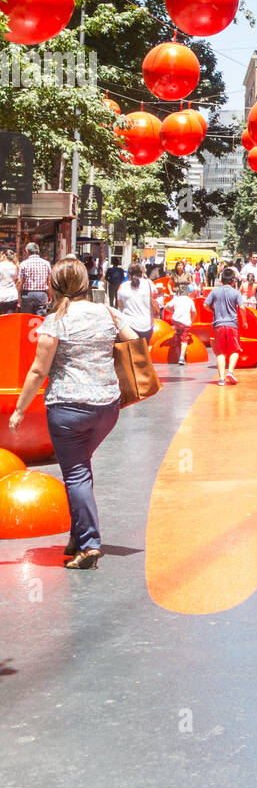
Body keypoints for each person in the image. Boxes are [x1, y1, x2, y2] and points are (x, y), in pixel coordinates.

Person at [9, 257, 139, 569]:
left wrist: (19, 410)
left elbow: (39, 370)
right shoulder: (108, 312)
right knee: (80, 470)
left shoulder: (55, 321)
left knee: (76, 474)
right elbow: (134, 340)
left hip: (68, 410)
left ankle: (89, 545)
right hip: (107, 409)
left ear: (54, 287)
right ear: (85, 283)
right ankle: (79, 535)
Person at [205, 267, 245, 384]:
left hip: (218, 325)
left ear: (221, 280)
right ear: (233, 281)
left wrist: (213, 311)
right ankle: (230, 372)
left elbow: (205, 305)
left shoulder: (215, 291)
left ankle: (221, 379)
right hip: (232, 325)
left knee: (220, 352)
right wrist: (244, 321)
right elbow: (242, 308)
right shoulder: (236, 292)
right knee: (235, 350)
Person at [116, 261, 156, 343]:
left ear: (129, 274)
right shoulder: (149, 284)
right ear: (142, 273)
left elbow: (120, 305)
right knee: (145, 350)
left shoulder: (122, 287)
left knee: (131, 353)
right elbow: (155, 296)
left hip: (129, 326)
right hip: (147, 325)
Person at [18, 242, 51, 317]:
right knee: (40, 319)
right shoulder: (46, 263)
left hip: (27, 295)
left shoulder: (23, 264)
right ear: (38, 251)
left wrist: (18, 297)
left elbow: (20, 282)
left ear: (26, 251)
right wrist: (50, 295)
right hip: (41, 295)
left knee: (26, 318)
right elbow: (49, 281)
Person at [171, 284, 197, 366]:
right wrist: (191, 320)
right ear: (187, 293)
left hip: (176, 320)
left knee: (179, 329)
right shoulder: (190, 300)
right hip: (185, 322)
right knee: (184, 340)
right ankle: (181, 357)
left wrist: (173, 312)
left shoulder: (176, 299)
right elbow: (194, 312)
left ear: (179, 293)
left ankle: (178, 333)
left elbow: (166, 306)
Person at [0, 248, 19, 315]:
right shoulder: (15, 266)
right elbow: (18, 282)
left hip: (1, 296)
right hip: (12, 296)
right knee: (9, 319)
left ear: (4, 256)